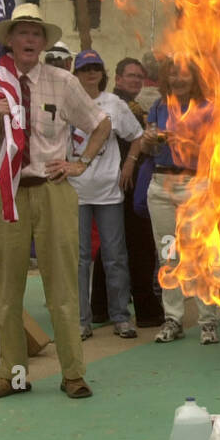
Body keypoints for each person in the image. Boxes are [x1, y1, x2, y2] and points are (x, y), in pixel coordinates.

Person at [0, 4, 113, 401]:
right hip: (7, 190)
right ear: (10, 40)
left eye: (36, 34)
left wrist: (80, 163)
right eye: (23, 33)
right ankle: (12, 377)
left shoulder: (62, 82)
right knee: (9, 291)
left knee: (62, 287)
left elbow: (101, 123)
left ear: (45, 42)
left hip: (52, 188)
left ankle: (73, 374)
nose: (30, 40)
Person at [138, 56, 220, 345]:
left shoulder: (209, 109)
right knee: (168, 255)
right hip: (161, 186)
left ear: (195, 77)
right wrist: (149, 140)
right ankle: (173, 318)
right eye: (172, 74)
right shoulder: (158, 107)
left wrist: (186, 141)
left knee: (201, 255)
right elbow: (146, 146)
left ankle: (208, 321)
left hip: (195, 184)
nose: (178, 79)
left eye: (184, 74)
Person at [69, 50, 142, 340]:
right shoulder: (67, 101)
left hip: (109, 190)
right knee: (80, 257)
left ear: (103, 72)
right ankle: (80, 320)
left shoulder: (113, 103)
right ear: (76, 72)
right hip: (74, 191)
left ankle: (121, 317)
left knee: (115, 256)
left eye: (96, 67)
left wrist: (129, 163)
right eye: (85, 68)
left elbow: (136, 137)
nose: (90, 73)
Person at [108, 57, 164, 328]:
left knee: (115, 246)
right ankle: (147, 310)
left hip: (119, 181)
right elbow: (139, 142)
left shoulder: (129, 105)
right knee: (139, 246)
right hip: (127, 181)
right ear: (117, 78)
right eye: (130, 76)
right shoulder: (122, 106)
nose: (135, 81)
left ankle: (101, 306)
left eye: (139, 76)